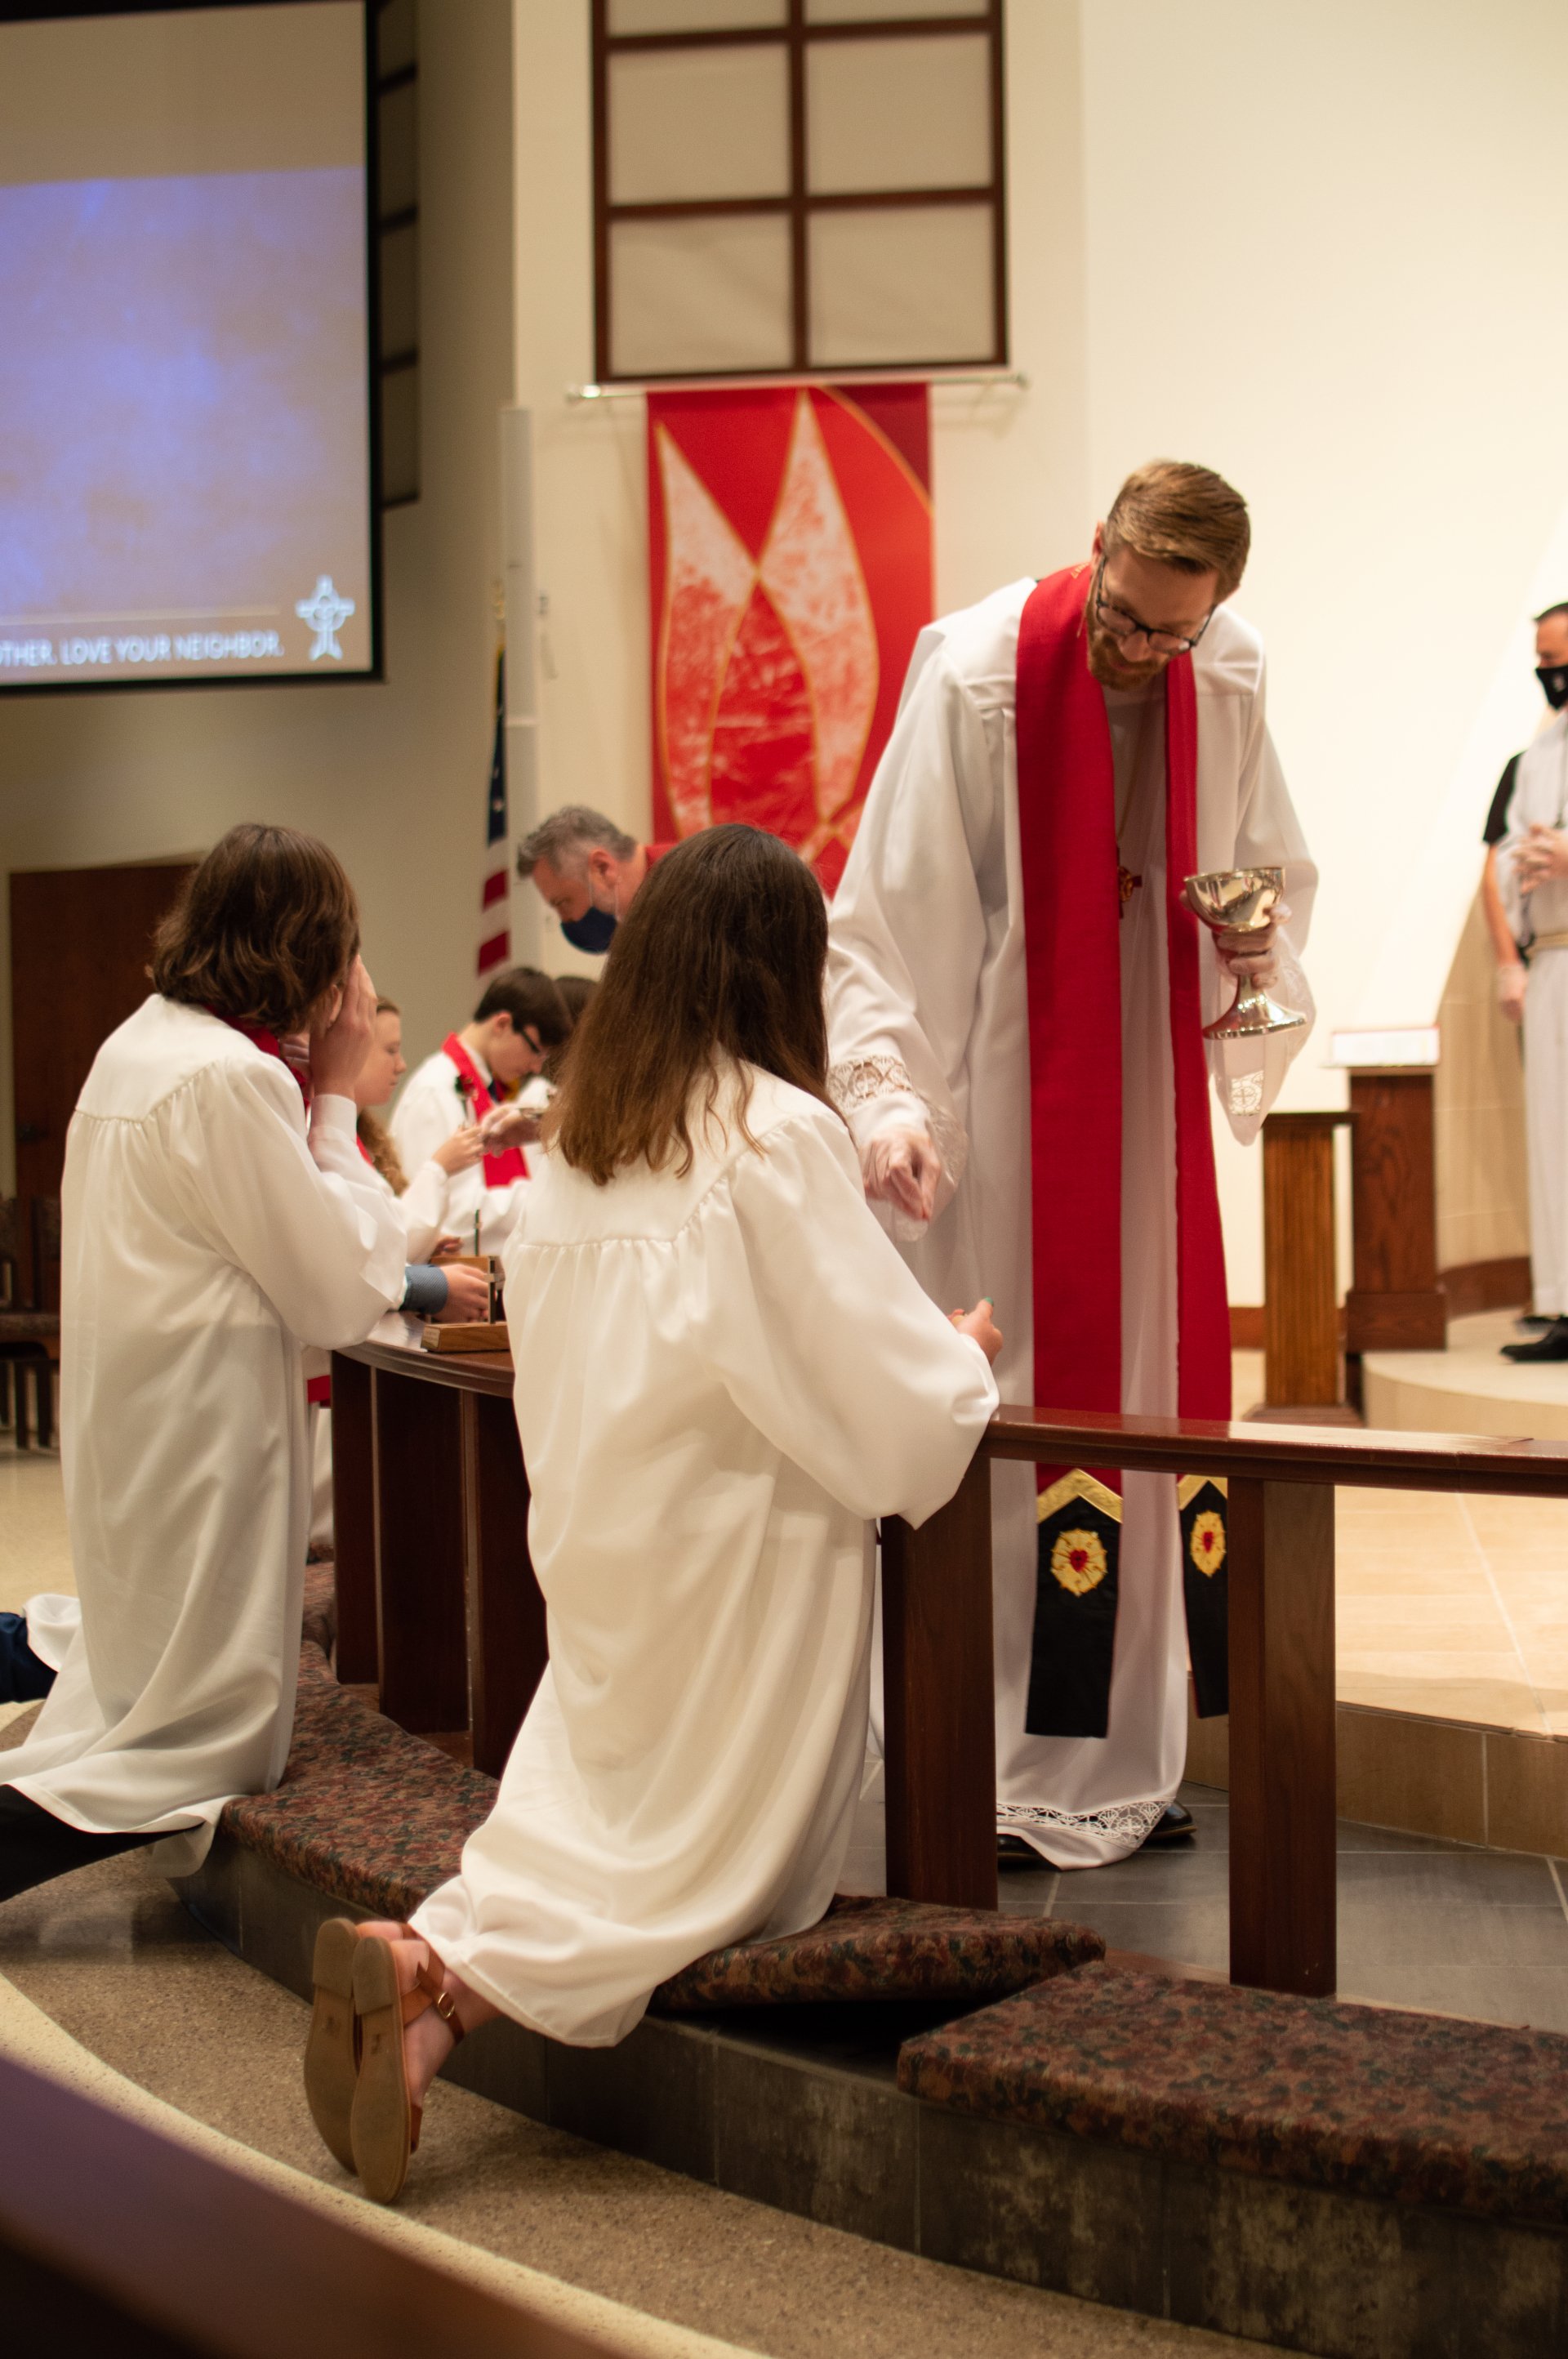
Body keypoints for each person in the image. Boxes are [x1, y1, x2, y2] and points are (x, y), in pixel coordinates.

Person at [301, 825, 1000, 2203]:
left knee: (584, 1817)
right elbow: (882, 1384)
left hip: (608, 1548)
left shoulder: (584, 1140)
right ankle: (426, 1964)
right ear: (779, 969)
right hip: (745, 1556)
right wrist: (961, 1352)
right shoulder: (773, 1127)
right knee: (713, 1869)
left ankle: (426, 2002)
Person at [825, 460, 1317, 1871]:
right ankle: (990, 1742)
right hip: (1008, 1088)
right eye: (1125, 616)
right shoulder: (976, 670)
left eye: (1173, 632)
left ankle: (1123, 1743)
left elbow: (1266, 867)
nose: (1142, 652)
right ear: (1096, 547)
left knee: (1149, 1398)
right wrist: (889, 1101)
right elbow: (886, 914)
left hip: (1149, 1095)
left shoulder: (1224, 671)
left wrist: (1250, 945)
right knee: (1016, 1392)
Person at [0, 825, 406, 1902]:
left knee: (136, 1690)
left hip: (146, 1421)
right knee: (196, 1738)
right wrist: (334, 1097)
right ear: (316, 953)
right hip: (205, 1436)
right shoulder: (231, 1078)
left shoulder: (146, 1039)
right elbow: (340, 1288)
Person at [1491, 604, 1568, 1362]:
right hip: (1551, 955)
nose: (1552, 674)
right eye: (1543, 660)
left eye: (1561, 658)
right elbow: (1512, 848)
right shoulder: (1541, 752)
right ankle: (1562, 1302)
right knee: (1554, 1134)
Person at [388, 969, 571, 1254]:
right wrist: (544, 1195)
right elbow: (449, 1214)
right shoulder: (436, 1088)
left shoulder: (477, 1087)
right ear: (502, 1024)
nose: (537, 1067)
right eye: (536, 1050)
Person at [515, 807, 675, 953]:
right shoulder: (642, 922)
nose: (566, 920)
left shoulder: (691, 891)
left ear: (602, 868)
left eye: (564, 902)